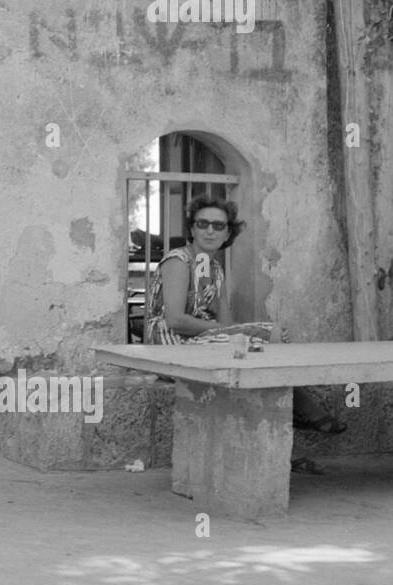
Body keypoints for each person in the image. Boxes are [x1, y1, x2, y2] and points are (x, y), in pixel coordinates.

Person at [143, 194, 346, 465]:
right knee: (267, 335)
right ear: (191, 229)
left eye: (218, 226)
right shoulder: (178, 261)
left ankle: (282, 440)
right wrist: (235, 333)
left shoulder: (214, 269)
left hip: (202, 340)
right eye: (203, 224)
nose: (210, 231)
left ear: (228, 233)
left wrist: (237, 335)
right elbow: (176, 320)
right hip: (169, 344)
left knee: (260, 349)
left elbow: (228, 325)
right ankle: (305, 411)